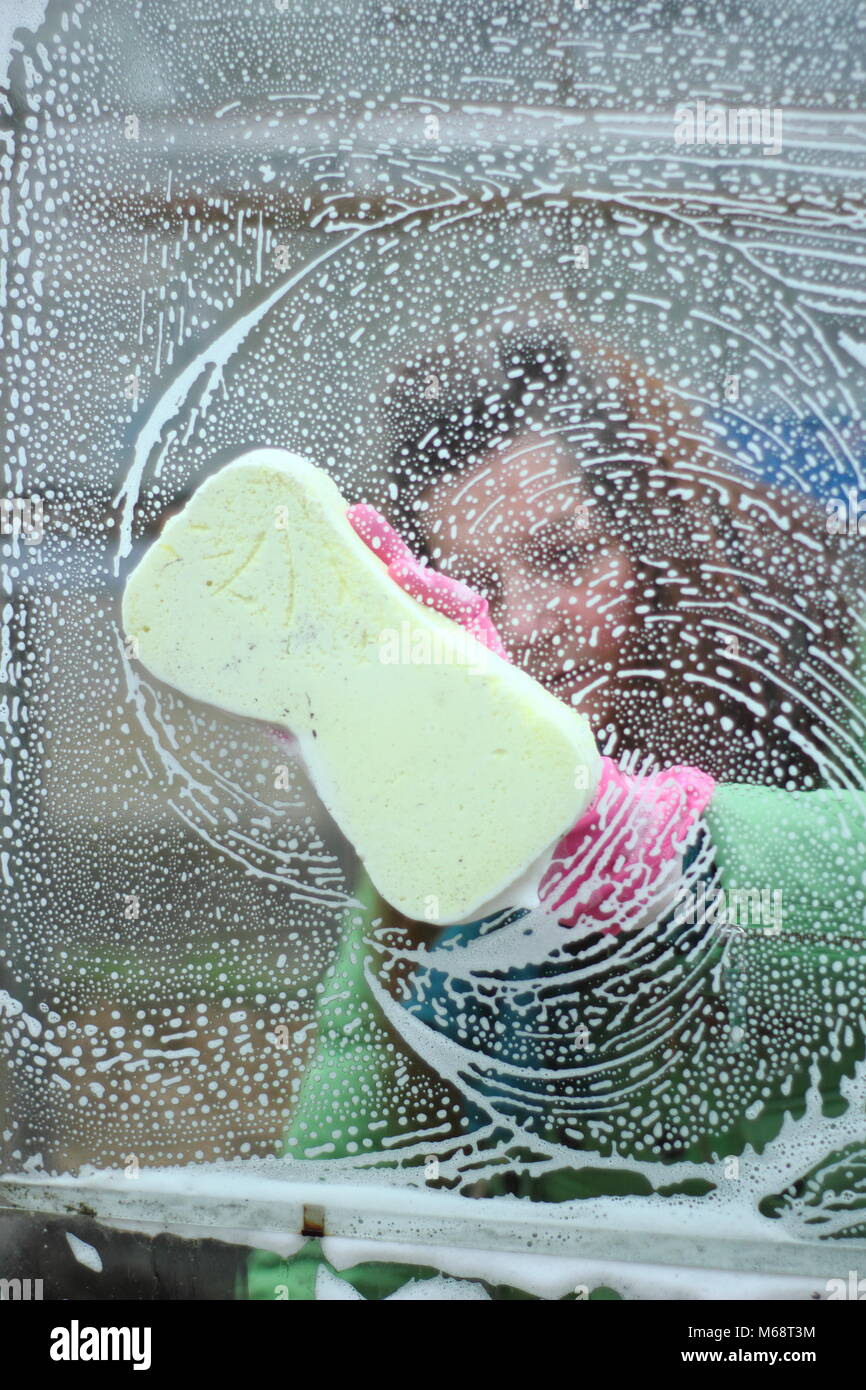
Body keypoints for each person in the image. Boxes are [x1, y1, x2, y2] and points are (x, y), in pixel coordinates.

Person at [242, 398, 866, 1296]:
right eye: (478, 589)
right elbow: (312, 1254)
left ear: (660, 549)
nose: (529, 625)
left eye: (567, 557)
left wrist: (685, 860)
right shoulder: (446, 853)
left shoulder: (825, 701)